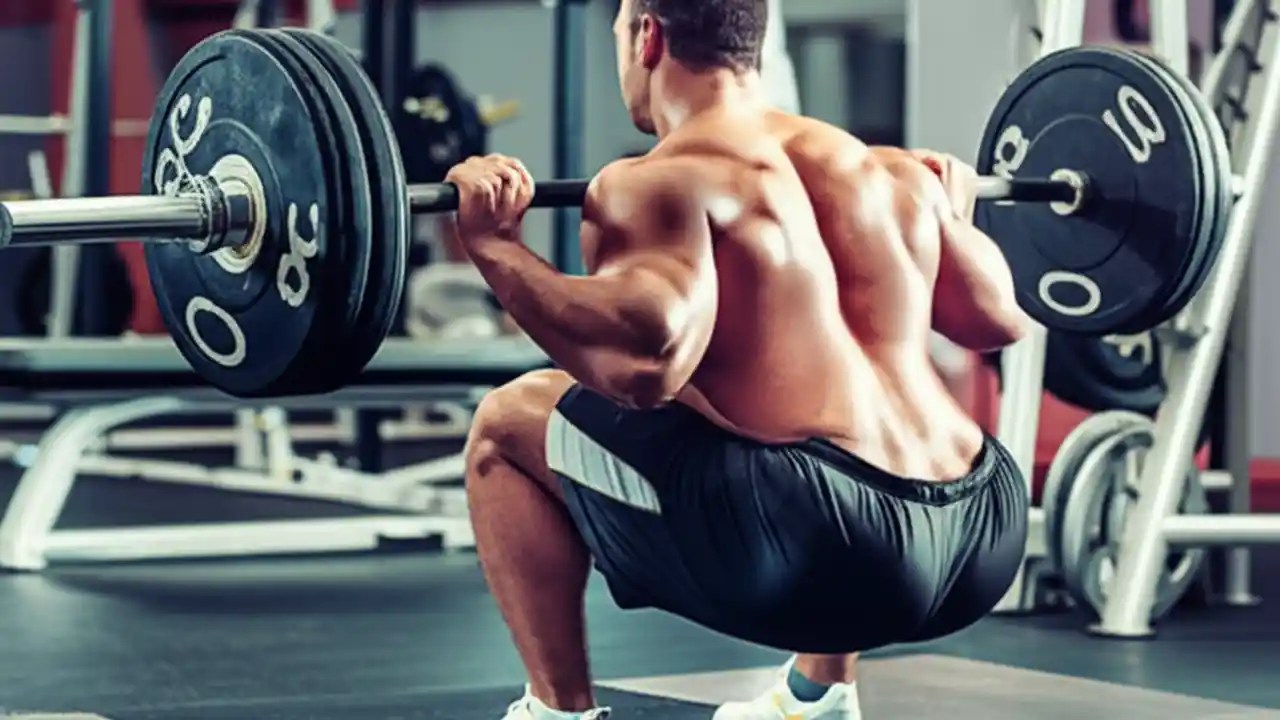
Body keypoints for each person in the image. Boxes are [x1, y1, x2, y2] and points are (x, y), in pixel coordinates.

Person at [445, 0, 1032, 717]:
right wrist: (952, 218)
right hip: (984, 529)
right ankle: (815, 698)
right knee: (789, 396)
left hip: (834, 551)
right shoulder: (885, 172)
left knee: (508, 420)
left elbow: (644, 368)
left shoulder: (657, 179)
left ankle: (557, 711)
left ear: (647, 36)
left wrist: (497, 249)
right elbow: (997, 319)